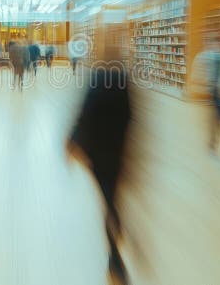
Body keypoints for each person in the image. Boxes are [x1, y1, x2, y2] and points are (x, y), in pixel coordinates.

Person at [67, 47, 132, 284]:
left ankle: (115, 253)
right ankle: (115, 251)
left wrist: (72, 143)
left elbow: (84, 115)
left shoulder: (96, 80)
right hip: (118, 154)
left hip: (97, 156)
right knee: (112, 199)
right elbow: (131, 119)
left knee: (107, 198)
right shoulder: (124, 82)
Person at [209, 48, 220, 151]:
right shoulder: (218, 59)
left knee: (217, 119)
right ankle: (213, 139)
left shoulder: (219, 59)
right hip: (218, 94)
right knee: (217, 118)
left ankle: (213, 139)